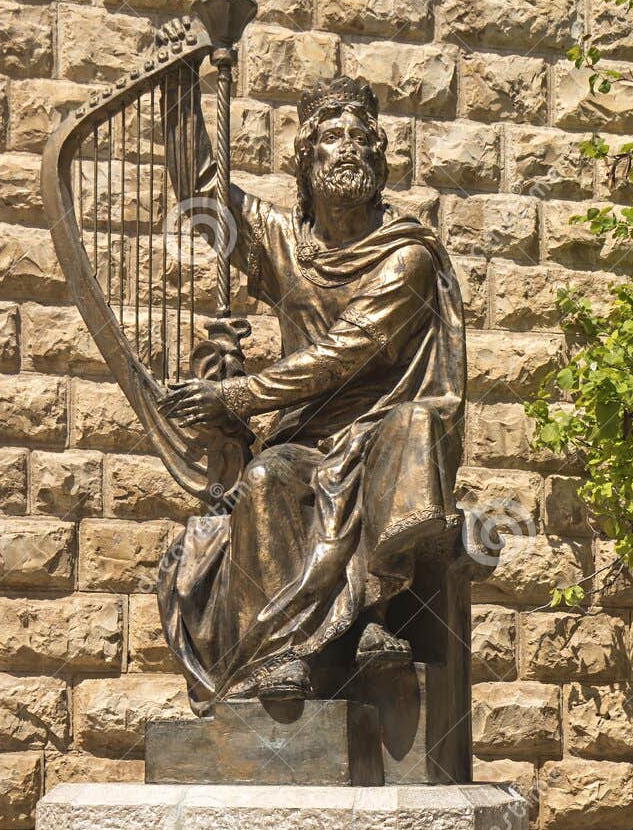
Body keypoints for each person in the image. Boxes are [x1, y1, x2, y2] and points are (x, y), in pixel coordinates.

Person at [158, 74, 466, 711]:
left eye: (360, 137)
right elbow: (203, 192)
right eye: (331, 137)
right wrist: (181, 94)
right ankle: (284, 656)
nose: (347, 147)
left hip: (380, 431)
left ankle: (372, 613)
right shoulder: (283, 243)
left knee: (406, 434)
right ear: (308, 158)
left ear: (378, 160)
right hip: (307, 439)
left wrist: (240, 395)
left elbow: (348, 351)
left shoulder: (406, 256)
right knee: (269, 476)